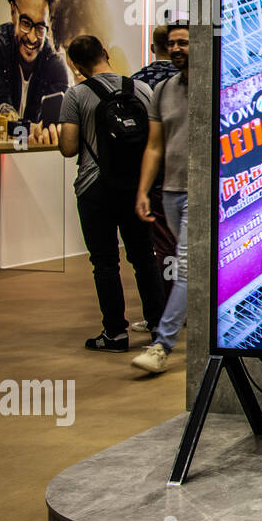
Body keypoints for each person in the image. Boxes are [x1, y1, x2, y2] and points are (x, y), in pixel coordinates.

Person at [58, 35, 164, 353]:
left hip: (95, 189)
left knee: (105, 262)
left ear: (76, 66)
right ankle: (159, 326)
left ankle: (115, 334)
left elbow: (69, 147)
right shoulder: (141, 90)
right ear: (105, 53)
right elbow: (156, 140)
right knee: (144, 257)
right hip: (136, 188)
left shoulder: (75, 95)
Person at [133, 21, 190, 373]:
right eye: (172, 43)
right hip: (170, 192)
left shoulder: (213, 88)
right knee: (192, 268)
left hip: (201, 195)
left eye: (184, 42)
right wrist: (143, 190)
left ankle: (161, 345)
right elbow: (154, 146)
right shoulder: (163, 90)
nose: (177, 49)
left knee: (184, 267)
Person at [0, 0, 70, 143]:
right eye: (26, 23)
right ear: (13, 13)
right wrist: (31, 130)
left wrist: (30, 132)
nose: (33, 37)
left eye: (40, 27)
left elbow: (54, 127)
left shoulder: (55, 64)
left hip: (33, 159)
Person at [132, 22, 182, 304]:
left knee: (164, 246)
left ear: (153, 49)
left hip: (160, 177)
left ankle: (169, 305)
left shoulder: (137, 82)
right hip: (192, 173)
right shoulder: (193, 78)